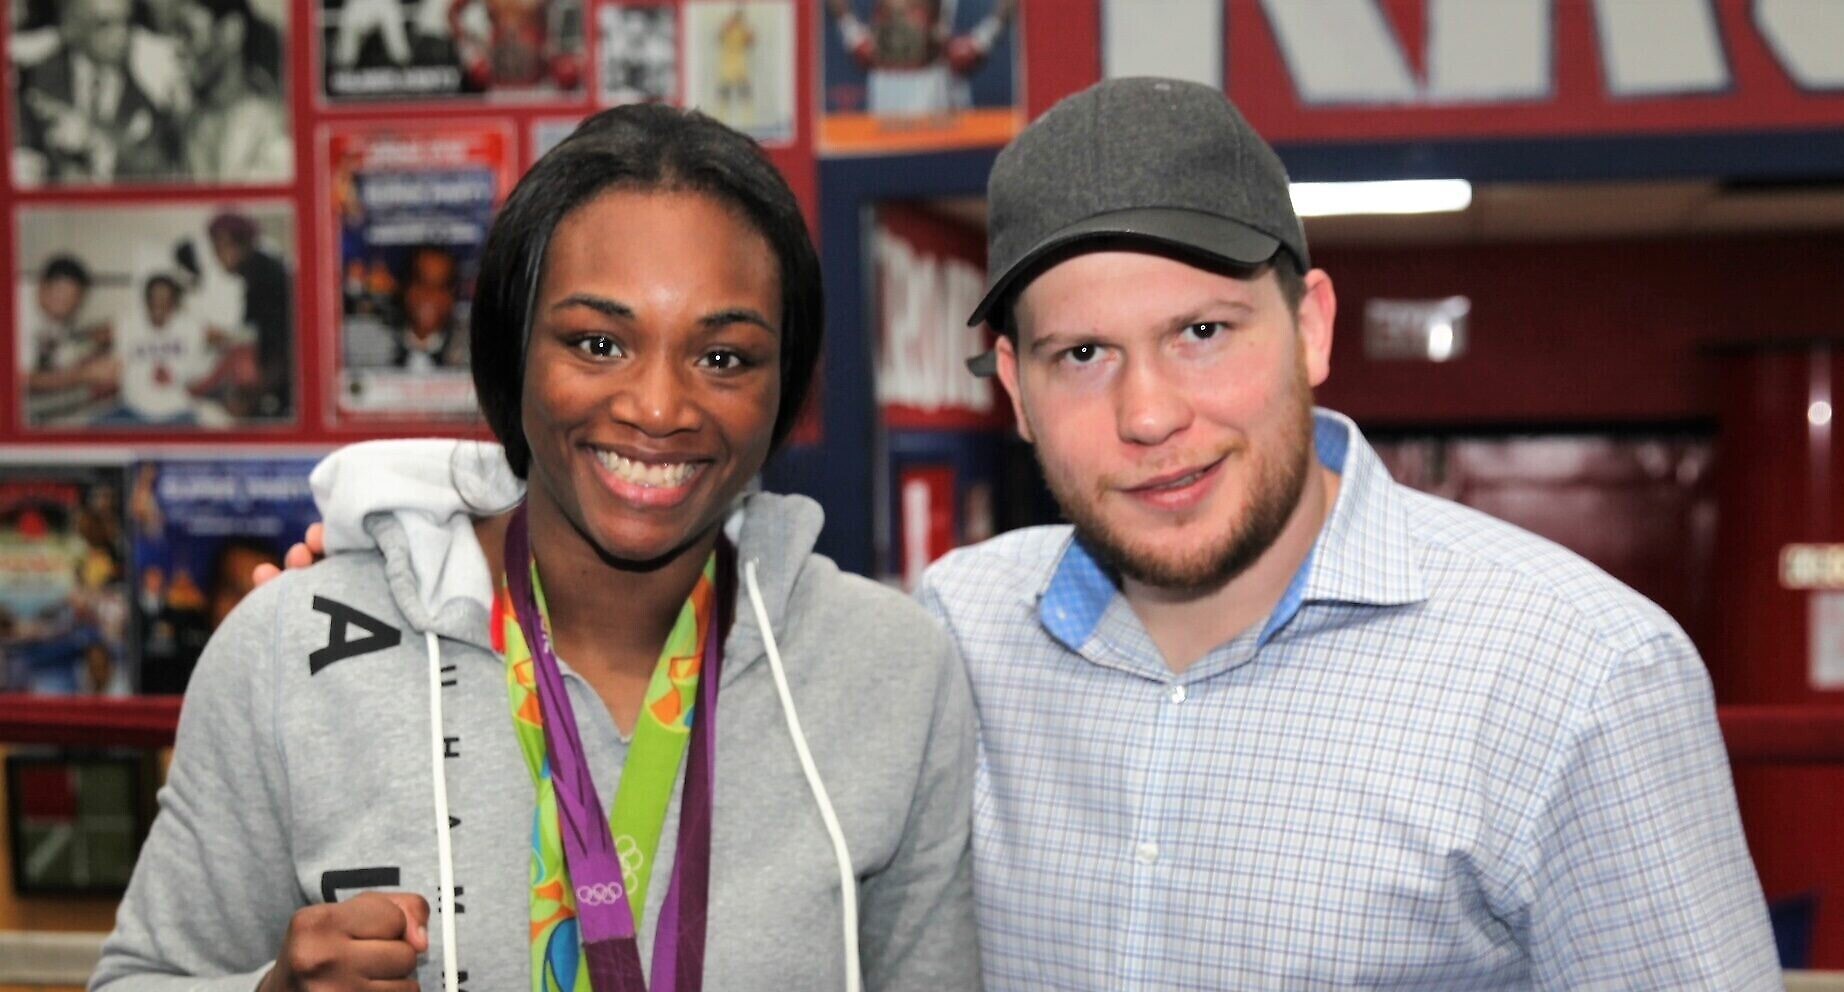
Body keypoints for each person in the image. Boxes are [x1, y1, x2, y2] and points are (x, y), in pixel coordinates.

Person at [263, 78, 1782, 988]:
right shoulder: (939, 630)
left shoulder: (1581, 674)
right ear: (1008, 383)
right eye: (1080, 355)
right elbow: (641, 591)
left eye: (1202, 330)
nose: (1148, 414)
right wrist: (392, 584)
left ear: (1311, 321)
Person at [92, 103, 977, 992]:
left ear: (785, 384)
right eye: (598, 343)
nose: (659, 407)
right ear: (511, 353)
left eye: (724, 358)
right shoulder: (287, 652)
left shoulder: (893, 671)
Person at [12, 0, 177, 185]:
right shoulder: (30, 82)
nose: (121, 35)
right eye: (104, 24)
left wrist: (96, 142)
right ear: (72, 27)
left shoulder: (150, 89)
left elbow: (160, 169)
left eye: (126, 22)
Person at [207, 211, 293, 418]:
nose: (217, 256)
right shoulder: (257, 274)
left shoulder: (266, 277)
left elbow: (280, 345)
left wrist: (251, 397)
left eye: (220, 248)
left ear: (240, 244)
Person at [18, 254, 113, 425]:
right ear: (42, 286)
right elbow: (19, 380)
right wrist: (82, 375)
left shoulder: (56, 313)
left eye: (75, 300)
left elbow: (55, 360)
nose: (68, 305)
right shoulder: (15, 310)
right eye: (61, 296)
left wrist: (92, 355)